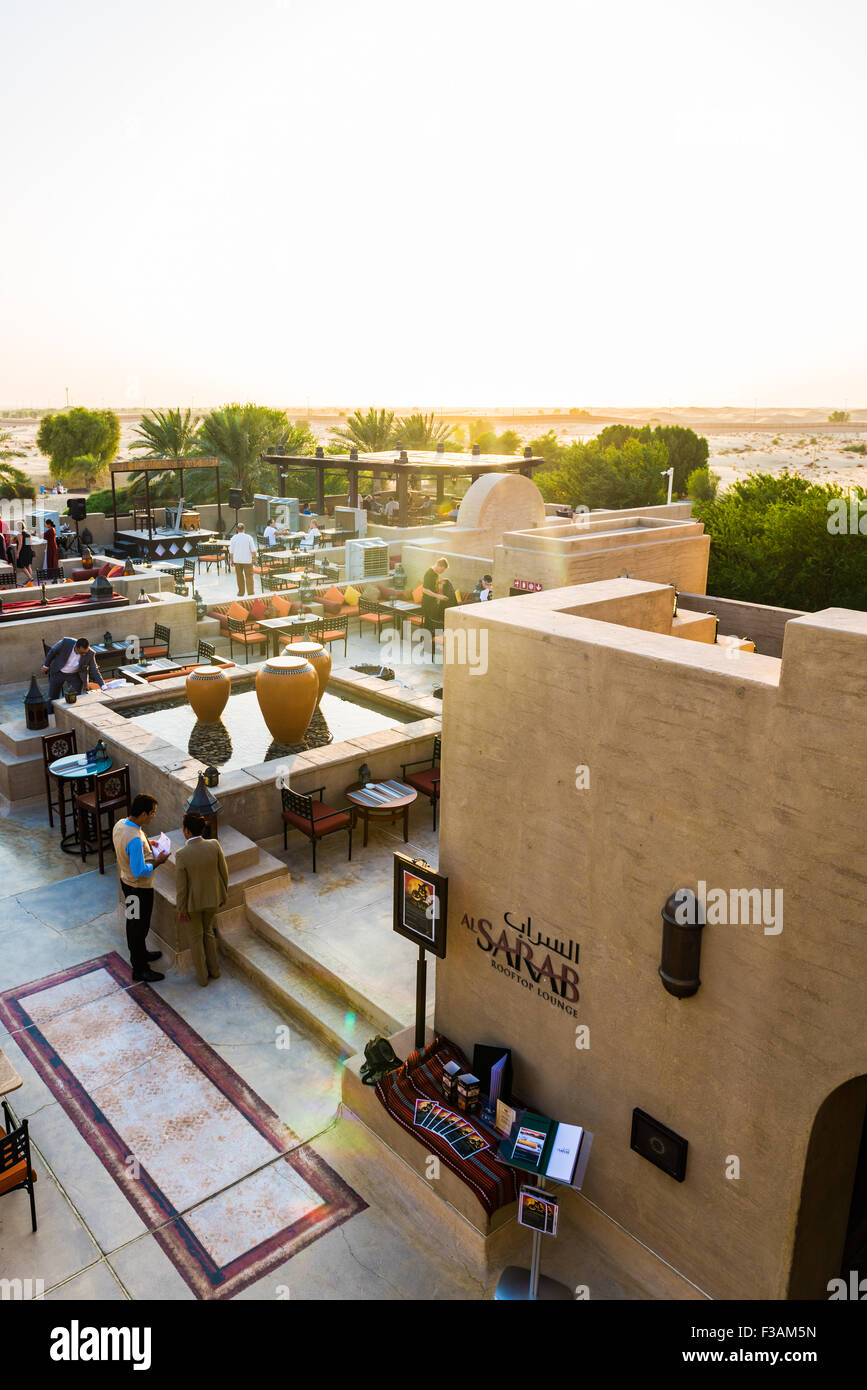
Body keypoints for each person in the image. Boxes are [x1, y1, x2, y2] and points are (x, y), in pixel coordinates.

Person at [113, 794, 170, 982]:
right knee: (138, 927)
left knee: (133, 923)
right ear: (144, 813)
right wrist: (158, 862)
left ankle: (142, 954)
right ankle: (140, 969)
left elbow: (131, 844)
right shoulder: (135, 839)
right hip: (138, 889)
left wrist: (148, 843)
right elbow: (139, 871)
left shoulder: (121, 824)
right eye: (152, 813)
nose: (154, 816)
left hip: (127, 884)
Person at [174, 812, 229, 988]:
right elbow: (224, 873)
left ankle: (202, 978)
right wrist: (223, 894)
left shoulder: (182, 854)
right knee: (209, 933)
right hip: (213, 899)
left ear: (187, 831)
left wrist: (181, 909)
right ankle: (215, 971)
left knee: (196, 939)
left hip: (193, 905)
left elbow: (182, 887)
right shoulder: (214, 845)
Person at [42, 636, 106, 701]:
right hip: (58, 672)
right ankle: (51, 711)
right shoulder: (66, 642)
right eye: (82, 653)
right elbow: (52, 651)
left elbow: (94, 670)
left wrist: (103, 685)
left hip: (74, 675)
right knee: (52, 697)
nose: (84, 654)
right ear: (76, 647)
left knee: (75, 698)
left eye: (85, 652)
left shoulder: (90, 653)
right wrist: (46, 666)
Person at [421, 557, 450, 637]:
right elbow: (425, 590)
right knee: (429, 624)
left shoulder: (436, 574)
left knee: (433, 623)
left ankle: (432, 642)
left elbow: (432, 584)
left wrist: (439, 582)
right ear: (438, 565)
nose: (442, 572)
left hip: (433, 602)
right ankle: (426, 644)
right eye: (442, 570)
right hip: (427, 603)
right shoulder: (429, 573)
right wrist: (438, 596)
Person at [228, 521, 257, 596]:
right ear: (244, 529)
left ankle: (241, 593)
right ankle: (250, 593)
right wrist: (254, 559)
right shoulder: (249, 537)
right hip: (247, 560)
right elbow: (253, 550)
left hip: (237, 560)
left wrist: (231, 561)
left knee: (239, 577)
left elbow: (231, 552)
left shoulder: (233, 538)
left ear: (237, 529)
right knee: (249, 577)